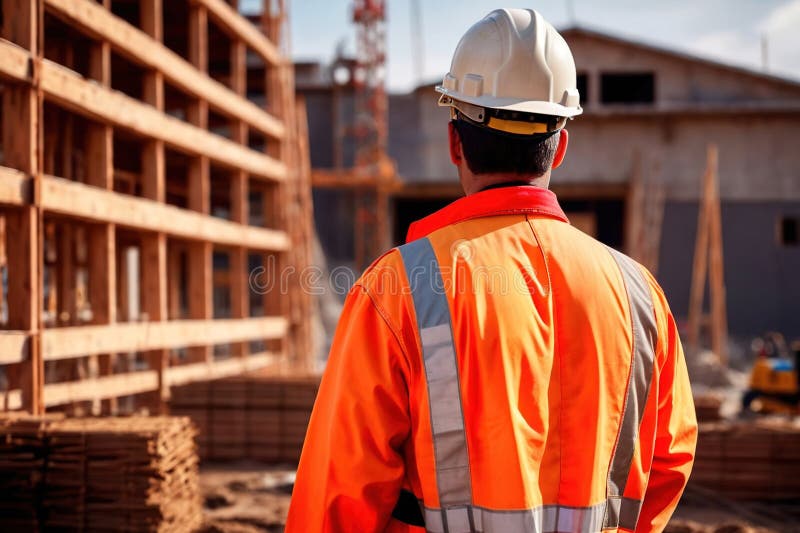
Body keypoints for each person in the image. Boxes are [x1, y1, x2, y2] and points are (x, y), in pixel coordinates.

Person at [286, 8, 697, 533]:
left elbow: (338, 498)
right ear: (560, 147)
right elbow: (669, 460)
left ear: (455, 143)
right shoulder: (640, 296)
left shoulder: (399, 290)